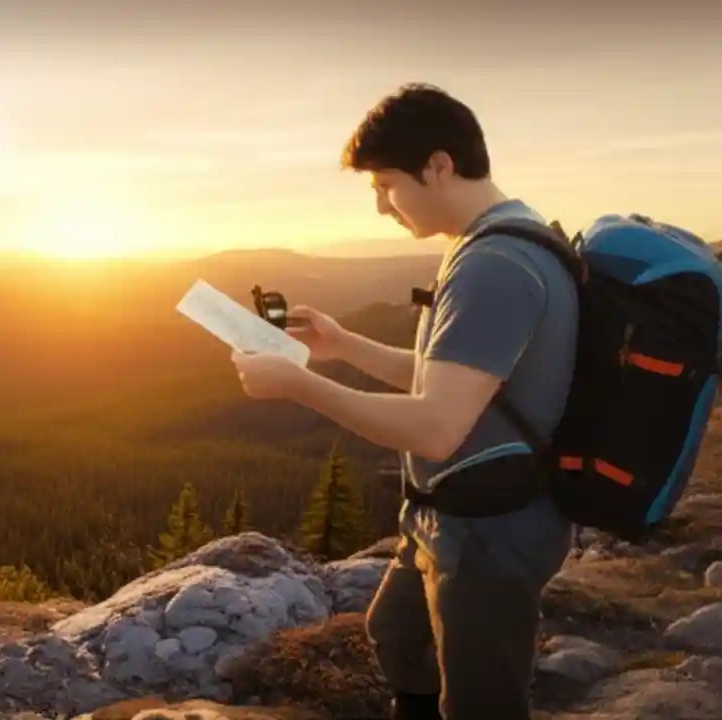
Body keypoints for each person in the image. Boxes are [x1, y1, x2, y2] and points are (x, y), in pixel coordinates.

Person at [231, 83, 578, 719]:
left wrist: (300, 384)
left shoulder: (493, 266)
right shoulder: (492, 243)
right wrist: (343, 345)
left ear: (439, 166)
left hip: (490, 526)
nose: (382, 209)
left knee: (480, 703)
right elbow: (455, 380)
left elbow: (438, 427)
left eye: (386, 186)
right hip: (451, 517)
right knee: (397, 634)